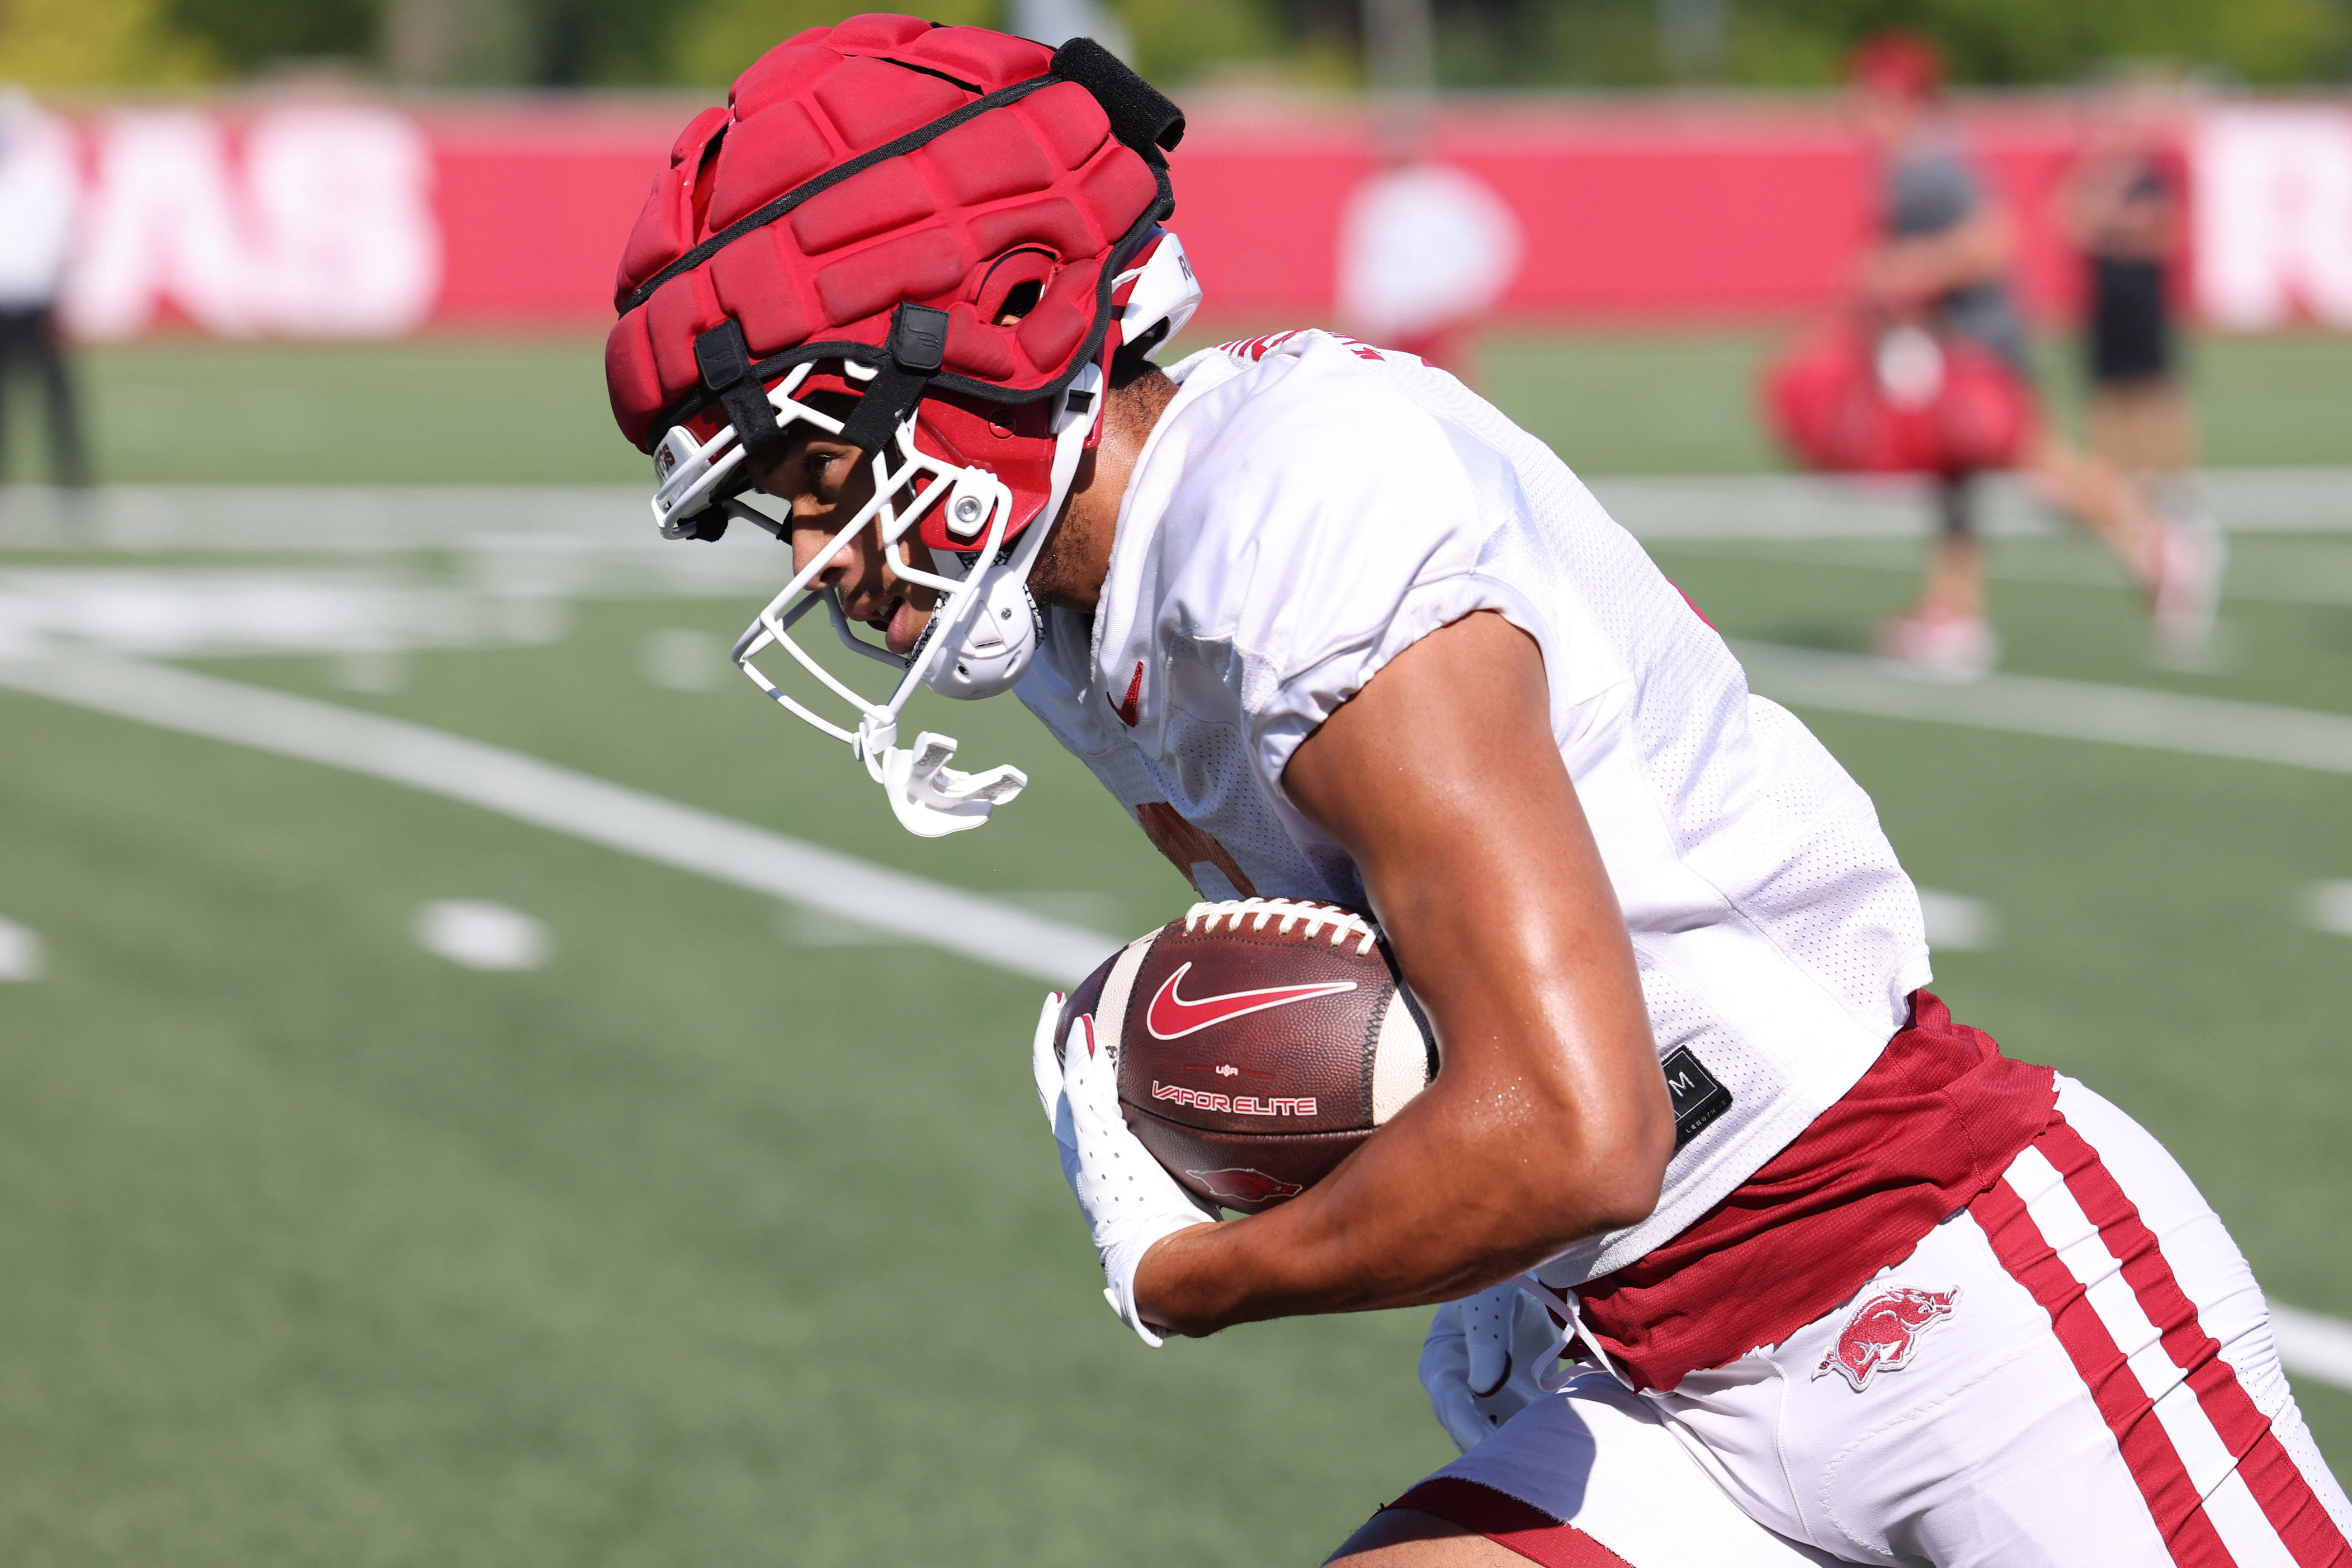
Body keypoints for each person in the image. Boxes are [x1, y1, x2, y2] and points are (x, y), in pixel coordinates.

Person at [605, 19, 2352, 1564]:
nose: (827, 552)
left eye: (829, 469)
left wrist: (1187, 1270)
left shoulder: (1292, 507)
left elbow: (1580, 1130)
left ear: (1002, 321)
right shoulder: (1090, 604)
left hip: (1928, 1289)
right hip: (1656, 1370)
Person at [1847, 33, 2214, 677]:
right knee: (1957, 482)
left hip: (1979, 350)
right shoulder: (1911, 162)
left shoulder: (1928, 165)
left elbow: (1993, 241)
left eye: (1873, 97)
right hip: (1960, 349)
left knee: (2041, 468)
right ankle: (1955, 611)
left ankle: (2159, 542)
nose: (1860, 112)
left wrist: (1903, 270)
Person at [2058, 73, 2205, 532]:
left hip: (2143, 297)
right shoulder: (2093, 181)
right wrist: (2108, 215)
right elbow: (2069, 221)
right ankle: (2114, 478)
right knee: (2107, 390)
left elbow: (2161, 233)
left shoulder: (2152, 182)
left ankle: (2174, 478)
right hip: (2105, 301)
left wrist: (2115, 228)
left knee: (2156, 387)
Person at [0, 86, 89, 493]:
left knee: (58, 401)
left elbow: (62, 242)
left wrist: (58, 292)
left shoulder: (41, 179)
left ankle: (72, 483)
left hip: (37, 305)